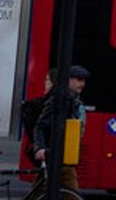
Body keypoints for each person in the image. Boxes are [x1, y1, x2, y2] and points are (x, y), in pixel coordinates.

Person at [31, 65, 89, 195]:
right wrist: (39, 147)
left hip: (63, 156)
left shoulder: (73, 101)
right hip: (56, 156)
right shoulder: (57, 100)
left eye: (84, 80)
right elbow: (40, 125)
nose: (82, 84)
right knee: (71, 194)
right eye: (79, 79)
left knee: (39, 193)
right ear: (67, 80)